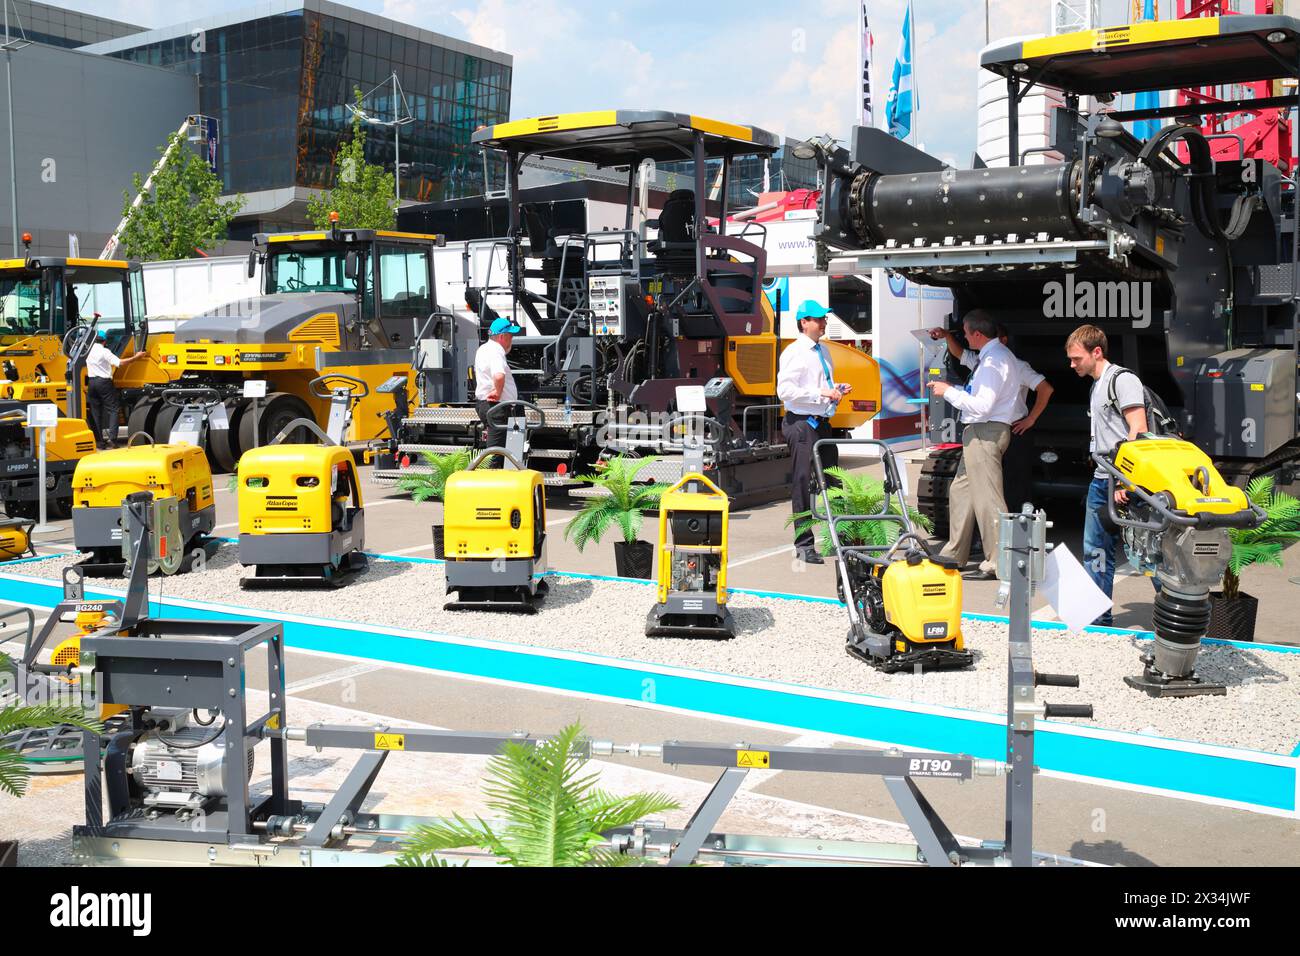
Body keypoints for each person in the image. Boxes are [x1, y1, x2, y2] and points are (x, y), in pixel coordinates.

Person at [924, 310, 1020, 579]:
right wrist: (945, 339)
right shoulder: (993, 356)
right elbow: (964, 357)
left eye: (966, 333)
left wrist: (948, 391)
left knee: (988, 499)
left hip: (984, 432)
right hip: (981, 433)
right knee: (961, 491)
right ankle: (955, 553)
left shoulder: (992, 363)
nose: (964, 337)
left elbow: (981, 406)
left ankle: (999, 562)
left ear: (977, 334)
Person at [1066, 324, 1148, 627]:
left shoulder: (1122, 380)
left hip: (1123, 483)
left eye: (1076, 358)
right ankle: (1099, 620)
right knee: (1095, 551)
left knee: (1146, 554)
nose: (1072, 364)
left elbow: (1138, 429)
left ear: (1096, 352)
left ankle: (1180, 618)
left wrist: (1125, 480)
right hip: (1102, 481)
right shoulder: (1096, 385)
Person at [930, 323, 1054, 512]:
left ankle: (1014, 533)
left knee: (1014, 484)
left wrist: (1031, 419)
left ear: (1003, 340)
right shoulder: (983, 361)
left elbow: (1046, 388)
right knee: (983, 485)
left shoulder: (1017, 365)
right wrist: (947, 335)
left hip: (1014, 429)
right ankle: (986, 534)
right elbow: (960, 354)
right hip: (988, 429)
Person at [777, 300, 852, 564]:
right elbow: (784, 391)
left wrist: (835, 390)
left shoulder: (823, 351)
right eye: (818, 319)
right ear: (803, 322)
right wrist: (820, 392)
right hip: (801, 424)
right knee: (802, 482)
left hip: (821, 422)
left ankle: (842, 536)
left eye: (824, 319)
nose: (823, 323)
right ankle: (804, 544)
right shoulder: (794, 352)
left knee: (834, 480)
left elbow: (820, 384)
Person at [85, 329, 148, 450]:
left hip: (91, 383)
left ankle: (99, 442)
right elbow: (120, 363)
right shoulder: (104, 351)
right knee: (113, 409)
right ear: (104, 341)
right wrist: (136, 357)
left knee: (96, 412)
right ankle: (113, 440)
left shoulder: (88, 351)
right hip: (104, 383)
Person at [474, 316, 522, 467]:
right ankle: (491, 487)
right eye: (510, 336)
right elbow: (499, 375)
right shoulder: (496, 351)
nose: (511, 340)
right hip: (498, 408)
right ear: (502, 336)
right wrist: (497, 391)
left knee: (498, 452)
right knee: (496, 455)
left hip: (488, 406)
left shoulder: (483, 349)